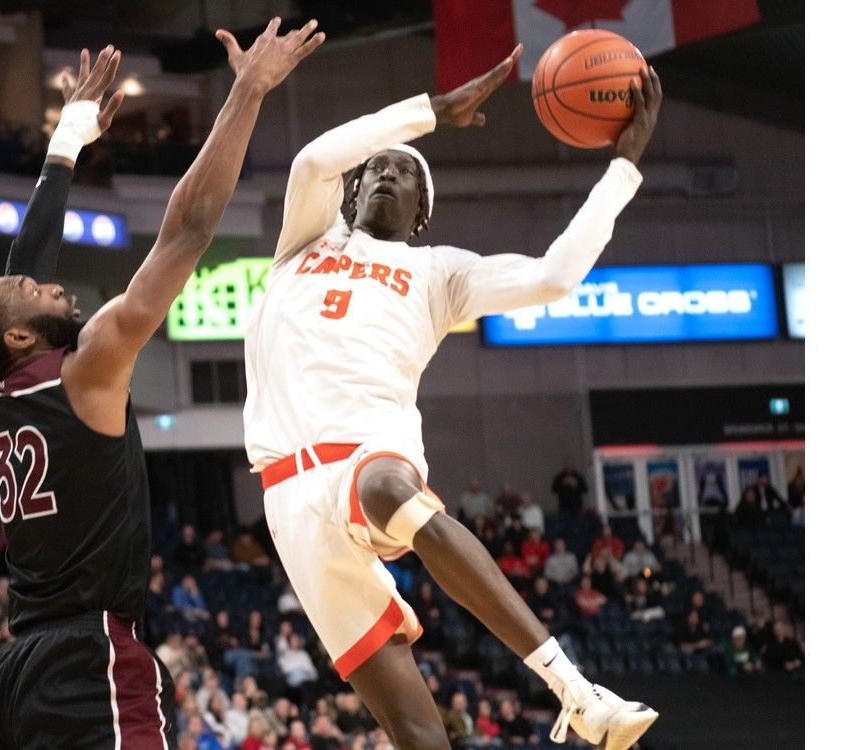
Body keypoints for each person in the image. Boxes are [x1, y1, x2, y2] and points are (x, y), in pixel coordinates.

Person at [242, 41, 662, 749]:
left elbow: (556, 276)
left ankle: (576, 691)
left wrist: (624, 167)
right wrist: (427, 115)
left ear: (423, 210)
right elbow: (312, 162)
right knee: (414, 728)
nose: (383, 172)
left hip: (370, 454)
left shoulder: (438, 273)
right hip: (289, 501)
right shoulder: (304, 244)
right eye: (376, 165)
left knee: (385, 489)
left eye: (402, 171)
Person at [0, 24, 325, 748]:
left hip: (16, 671)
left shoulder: (0, 388)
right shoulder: (89, 366)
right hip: (86, 663)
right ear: (20, 336)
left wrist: (69, 139)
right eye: (34, 290)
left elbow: (25, 256)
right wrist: (247, 91)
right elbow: (187, 230)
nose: (48, 282)